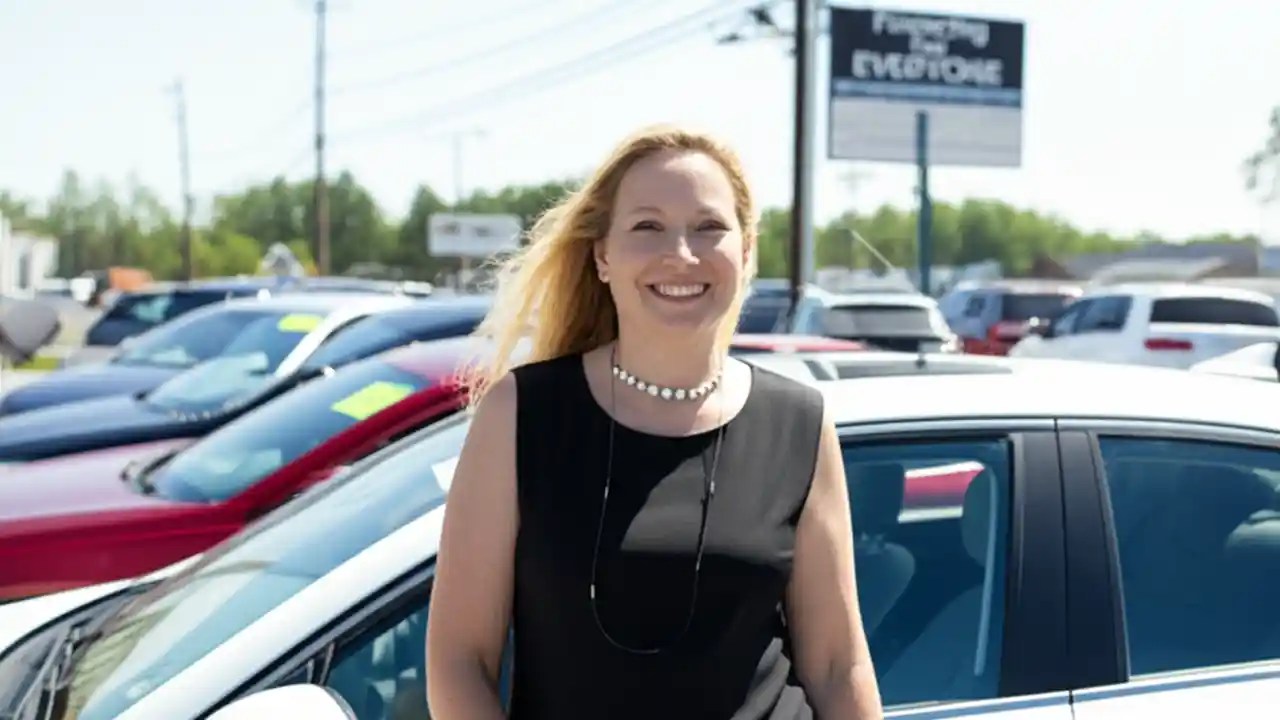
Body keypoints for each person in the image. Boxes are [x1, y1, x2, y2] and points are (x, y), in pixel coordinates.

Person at [427, 124, 883, 719]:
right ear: (603, 256)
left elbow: (837, 666)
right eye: (648, 227)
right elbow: (459, 660)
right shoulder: (522, 415)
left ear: (745, 254)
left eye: (709, 228)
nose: (682, 254)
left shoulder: (799, 424)